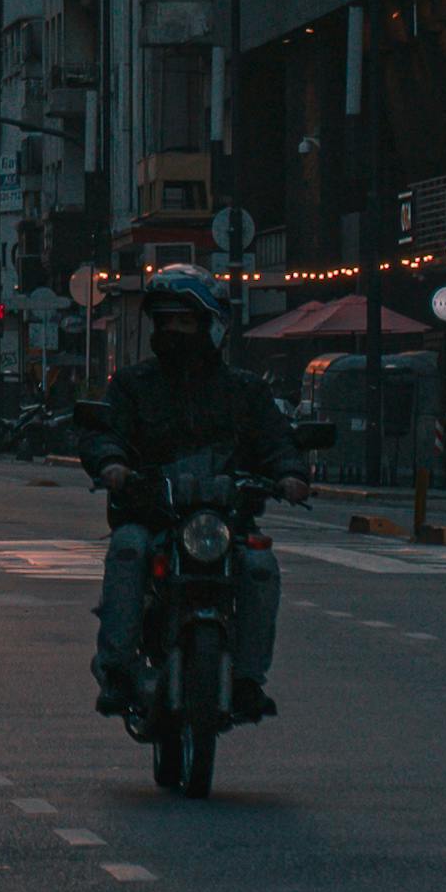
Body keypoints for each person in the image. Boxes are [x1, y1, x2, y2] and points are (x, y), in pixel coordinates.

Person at [78, 268, 309, 724]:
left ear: (211, 327)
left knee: (259, 565)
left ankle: (247, 679)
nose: (172, 333)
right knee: (128, 549)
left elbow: (276, 439)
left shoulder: (244, 390)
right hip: (152, 516)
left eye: (184, 323)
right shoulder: (132, 385)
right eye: (164, 324)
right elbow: (105, 431)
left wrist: (290, 474)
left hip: (227, 522)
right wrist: (111, 464)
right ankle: (118, 668)